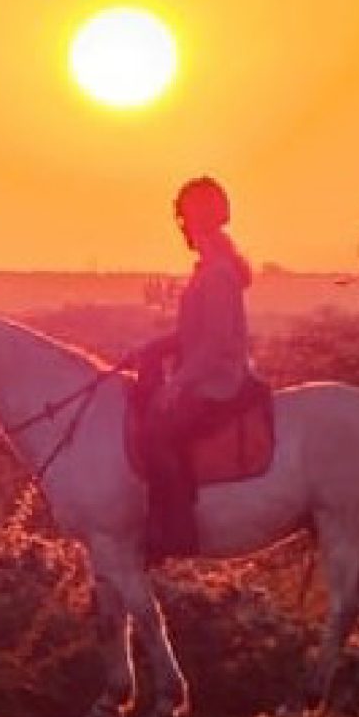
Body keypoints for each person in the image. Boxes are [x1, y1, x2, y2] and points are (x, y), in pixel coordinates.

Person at [135, 175, 256, 560]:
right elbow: (193, 333)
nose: (182, 227)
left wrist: (178, 383)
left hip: (219, 379)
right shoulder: (207, 267)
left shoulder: (218, 273)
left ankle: (177, 531)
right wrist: (154, 347)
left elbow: (215, 342)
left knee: (157, 428)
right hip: (205, 372)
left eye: (185, 218)